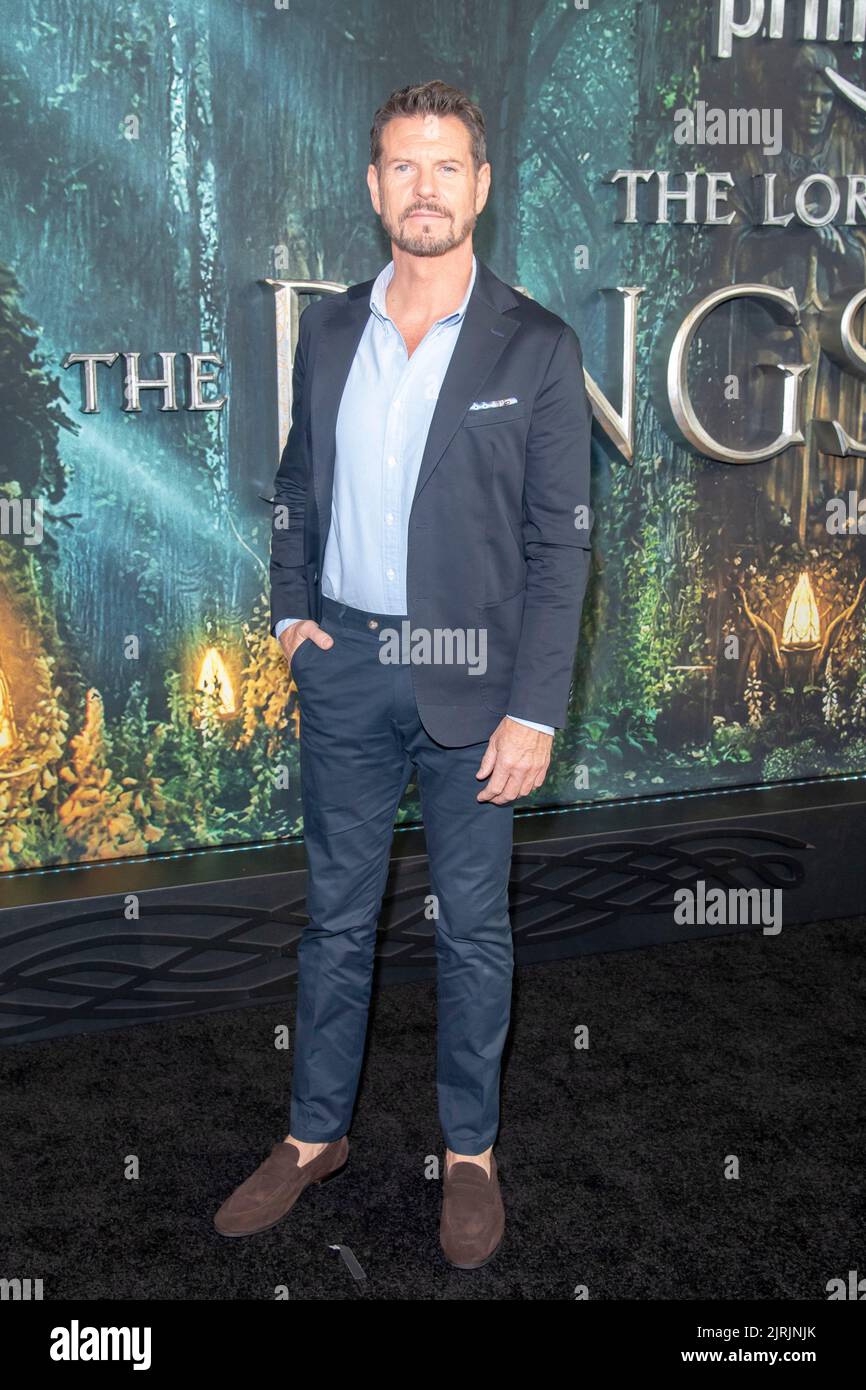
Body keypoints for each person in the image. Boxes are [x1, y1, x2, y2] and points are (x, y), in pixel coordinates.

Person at [214, 78, 594, 1269]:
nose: (422, 187)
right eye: (401, 166)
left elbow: (561, 542)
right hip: (345, 668)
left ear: (480, 186)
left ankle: (470, 1154)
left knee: (473, 930)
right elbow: (295, 488)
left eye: (445, 166)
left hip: (476, 689)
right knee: (334, 923)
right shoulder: (328, 328)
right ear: (374, 186)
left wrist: (535, 706)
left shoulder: (534, 343)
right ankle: (312, 1133)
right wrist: (287, 620)